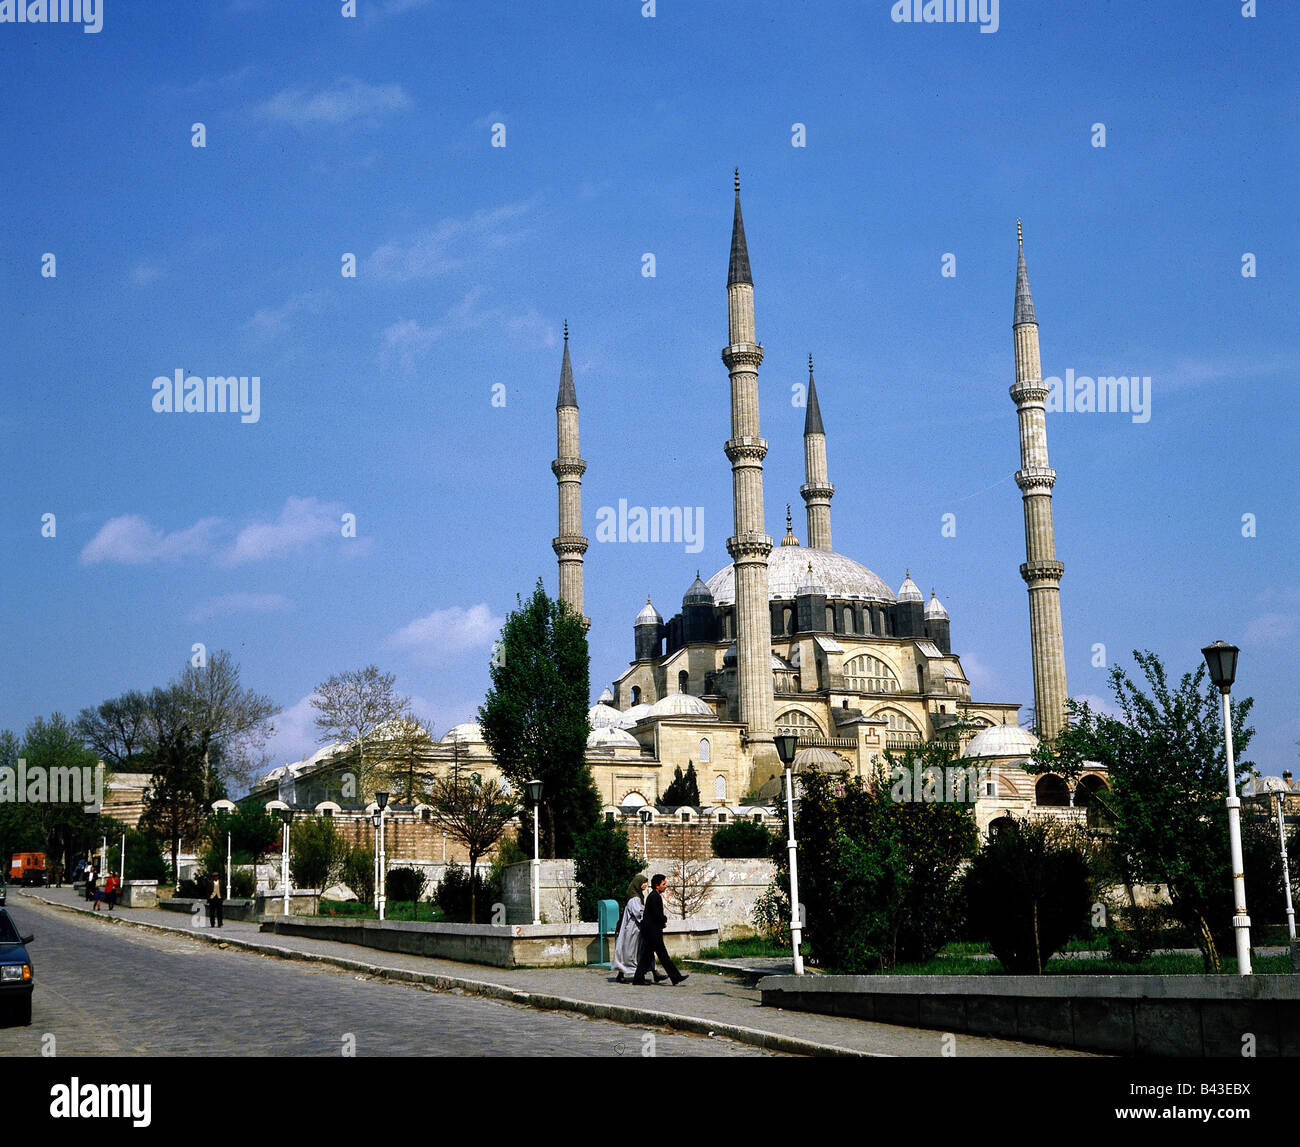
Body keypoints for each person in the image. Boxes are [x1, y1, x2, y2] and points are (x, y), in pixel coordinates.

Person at [632, 873, 689, 986]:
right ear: (657, 885)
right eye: (663, 884)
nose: (665, 886)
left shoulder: (654, 896)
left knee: (648, 956)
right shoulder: (654, 897)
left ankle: (638, 978)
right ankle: (675, 977)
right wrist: (664, 920)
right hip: (652, 932)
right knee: (661, 956)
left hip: (651, 931)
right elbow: (657, 915)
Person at [612, 874, 648, 983]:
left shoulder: (637, 896)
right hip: (633, 929)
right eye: (643, 882)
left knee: (630, 952)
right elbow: (638, 913)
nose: (645, 885)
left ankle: (625, 974)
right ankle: (634, 975)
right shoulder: (634, 899)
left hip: (635, 928)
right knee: (630, 952)